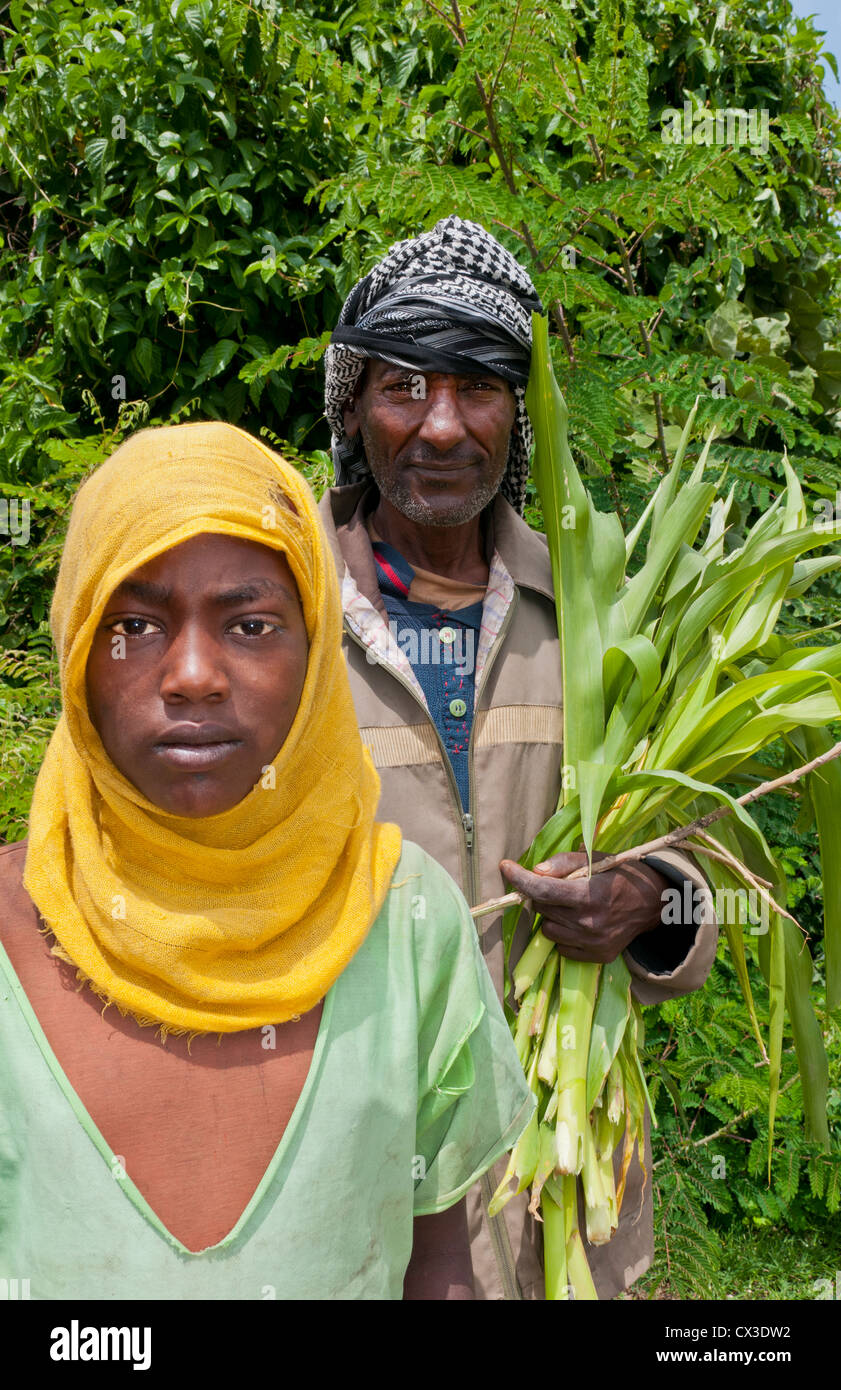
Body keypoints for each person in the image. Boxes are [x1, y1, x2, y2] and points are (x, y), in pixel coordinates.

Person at [0, 420, 534, 1300]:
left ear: (318, 649)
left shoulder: (402, 922)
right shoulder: (10, 930)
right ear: (79, 650)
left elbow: (439, 1267)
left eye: (250, 624)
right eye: (134, 623)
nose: (195, 675)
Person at [319, 215, 719, 1300]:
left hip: (568, 1198)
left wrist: (652, 898)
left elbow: (715, 865)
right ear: (353, 408)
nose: (441, 427)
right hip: (353, 1196)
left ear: (518, 414)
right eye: (404, 385)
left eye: (478, 386)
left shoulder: (601, 607)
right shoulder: (275, 614)